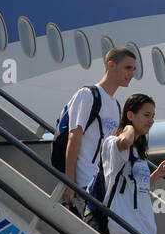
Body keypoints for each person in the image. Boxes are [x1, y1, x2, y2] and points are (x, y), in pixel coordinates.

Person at [101, 94, 165, 234]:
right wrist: (128, 128)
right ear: (131, 115)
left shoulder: (138, 153)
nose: (151, 121)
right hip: (127, 230)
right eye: (146, 115)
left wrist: (156, 175)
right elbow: (124, 141)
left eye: (153, 116)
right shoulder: (113, 144)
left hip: (144, 231)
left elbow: (136, 188)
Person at [58, 46, 137, 209]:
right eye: (127, 68)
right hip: (82, 185)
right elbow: (74, 138)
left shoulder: (116, 106)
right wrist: (69, 182)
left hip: (100, 186)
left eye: (134, 69)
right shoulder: (87, 94)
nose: (131, 74)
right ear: (111, 65)